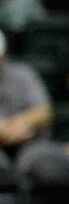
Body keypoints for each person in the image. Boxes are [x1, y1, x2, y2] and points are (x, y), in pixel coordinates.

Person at [0, 28, 53, 156]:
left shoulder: (23, 74)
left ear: (4, 55)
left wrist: (16, 124)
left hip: (29, 145)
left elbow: (44, 112)